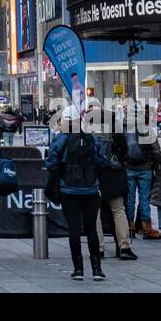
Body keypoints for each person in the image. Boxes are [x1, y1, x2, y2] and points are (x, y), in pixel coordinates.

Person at [45, 106, 108, 281]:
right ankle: (97, 269)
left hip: (68, 189)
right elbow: (101, 160)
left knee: (74, 229)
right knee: (91, 230)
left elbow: (51, 161)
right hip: (90, 189)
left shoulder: (61, 138)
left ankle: (78, 269)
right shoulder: (91, 137)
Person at [98, 125, 136, 260]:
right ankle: (124, 246)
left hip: (96, 177)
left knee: (96, 213)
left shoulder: (90, 132)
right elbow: (126, 153)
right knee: (119, 211)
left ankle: (98, 248)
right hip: (115, 176)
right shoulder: (116, 132)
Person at [124, 114, 161, 239]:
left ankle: (129, 227)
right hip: (145, 169)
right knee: (144, 198)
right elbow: (156, 151)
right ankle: (146, 228)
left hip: (128, 169)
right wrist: (156, 166)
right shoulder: (146, 130)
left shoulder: (124, 129)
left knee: (130, 199)